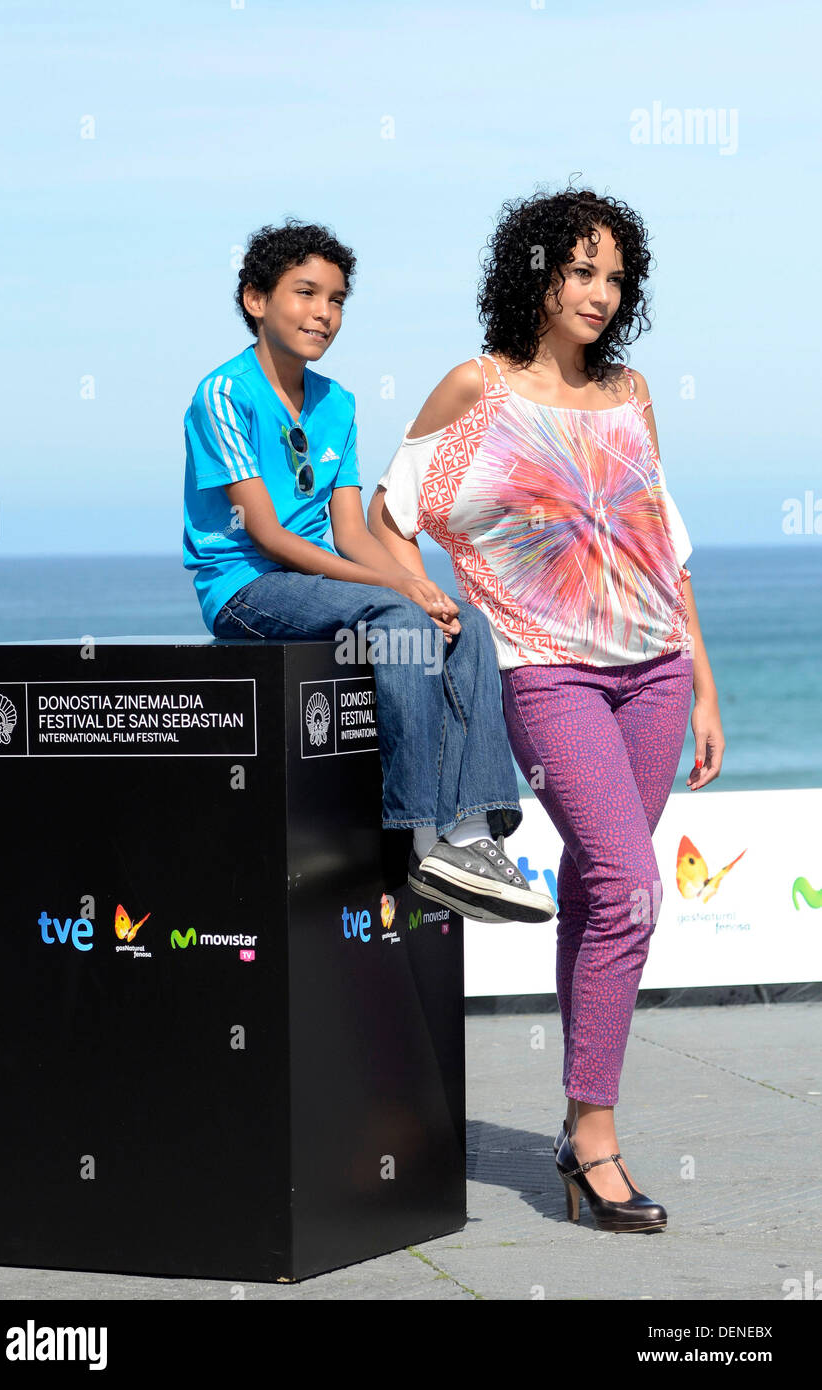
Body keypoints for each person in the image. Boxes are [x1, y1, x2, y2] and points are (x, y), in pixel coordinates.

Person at [367, 186, 725, 1232]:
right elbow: (389, 514)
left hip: (655, 669)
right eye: (579, 270)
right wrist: (421, 592)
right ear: (535, 273)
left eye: (614, 277)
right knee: (630, 886)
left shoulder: (630, 392)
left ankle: (577, 1128)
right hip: (544, 673)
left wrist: (702, 682)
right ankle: (595, 1138)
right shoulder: (474, 388)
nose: (599, 294)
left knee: (598, 889)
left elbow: (664, 544)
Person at [182, 217, 555, 926]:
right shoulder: (223, 394)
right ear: (256, 299)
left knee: (462, 620)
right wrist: (396, 587)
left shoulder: (339, 403)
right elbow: (266, 535)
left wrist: (423, 586)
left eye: (337, 299)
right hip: (245, 586)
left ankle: (473, 836)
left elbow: (352, 532)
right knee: (399, 615)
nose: (323, 312)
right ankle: (422, 836)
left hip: (319, 582)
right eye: (305, 293)